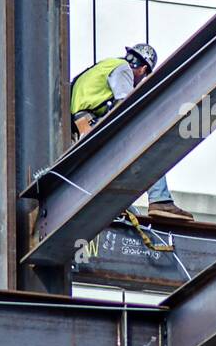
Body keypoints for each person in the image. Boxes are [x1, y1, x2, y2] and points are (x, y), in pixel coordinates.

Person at [69, 44, 194, 222]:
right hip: (91, 124)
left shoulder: (106, 65)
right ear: (143, 69)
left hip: (82, 125)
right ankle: (160, 199)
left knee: (125, 201)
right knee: (148, 145)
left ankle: (117, 206)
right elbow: (127, 108)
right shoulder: (123, 69)